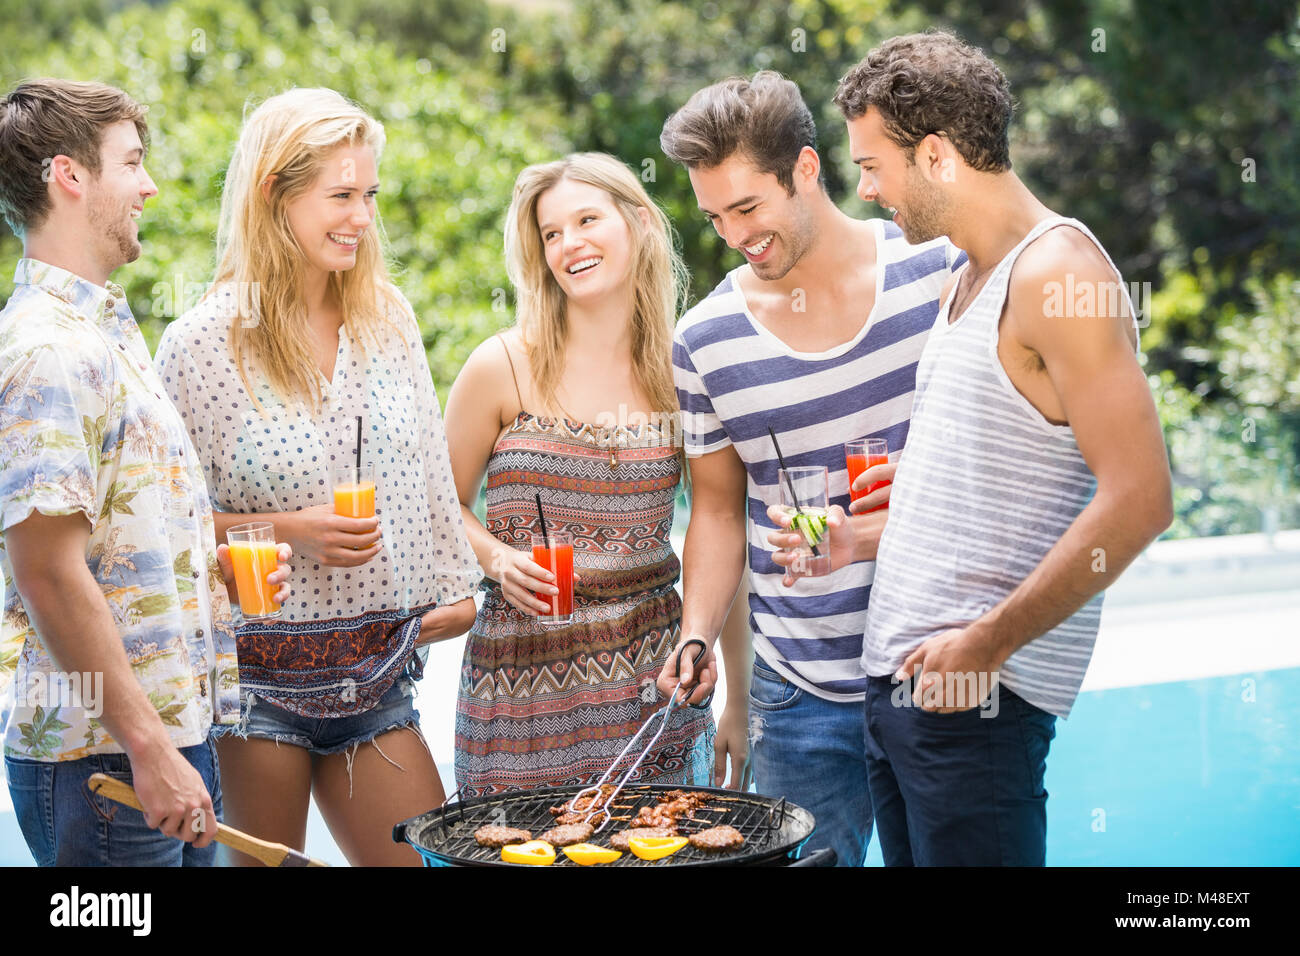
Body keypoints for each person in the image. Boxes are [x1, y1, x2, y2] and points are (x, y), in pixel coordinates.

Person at [834, 31, 1173, 865]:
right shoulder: (966, 275)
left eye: (874, 166)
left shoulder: (1060, 274)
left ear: (938, 156)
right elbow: (995, 476)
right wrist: (874, 527)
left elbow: (1141, 499)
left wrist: (987, 644)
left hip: (974, 705)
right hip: (903, 696)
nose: (870, 191)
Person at [154, 87, 481, 866]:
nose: (362, 217)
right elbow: (166, 537)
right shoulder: (200, 345)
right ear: (275, 193)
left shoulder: (389, 319)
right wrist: (292, 532)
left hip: (380, 681)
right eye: (340, 195)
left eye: (368, 194)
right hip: (258, 687)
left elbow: (432, 479)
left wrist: (455, 587)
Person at [656, 71, 964, 865]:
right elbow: (719, 514)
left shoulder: (936, 269)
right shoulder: (704, 340)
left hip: (937, 665)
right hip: (795, 698)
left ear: (804, 168)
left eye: (748, 208)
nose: (733, 234)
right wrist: (695, 635)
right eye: (715, 216)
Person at [0, 79, 290, 866]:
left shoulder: (104, 332)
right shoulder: (49, 351)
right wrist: (148, 748)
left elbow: (109, 545)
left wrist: (205, 571)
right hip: (109, 767)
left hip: (157, 748)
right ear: (70, 176)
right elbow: (49, 573)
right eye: (132, 163)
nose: (149, 185)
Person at [444, 152, 715, 795]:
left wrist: (722, 680)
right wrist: (497, 560)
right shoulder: (501, 365)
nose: (569, 244)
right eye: (551, 233)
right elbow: (438, 506)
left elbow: (717, 522)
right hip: (517, 693)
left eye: (587, 219)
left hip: (653, 690)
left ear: (640, 224)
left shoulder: (682, 373)